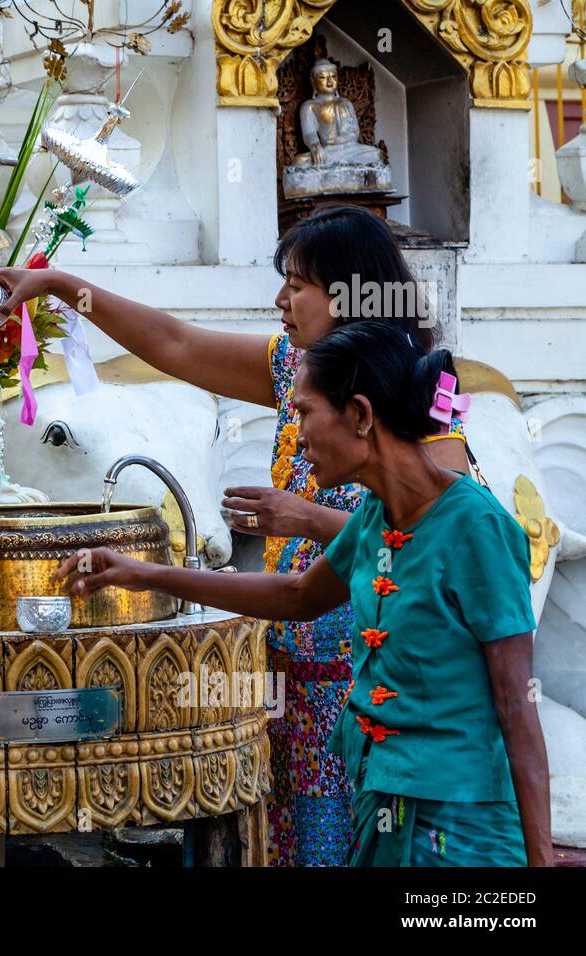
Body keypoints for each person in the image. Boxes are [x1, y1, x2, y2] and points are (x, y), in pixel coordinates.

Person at [0, 205, 468, 866]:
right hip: (293, 672)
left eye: (298, 284)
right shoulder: (299, 365)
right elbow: (174, 344)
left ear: (350, 290)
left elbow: (439, 532)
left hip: (381, 685)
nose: (280, 299)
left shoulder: (430, 382)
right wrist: (65, 286)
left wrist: (308, 519)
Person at [57, 322, 553, 867]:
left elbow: (517, 706)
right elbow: (295, 595)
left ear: (361, 416)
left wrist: (542, 862)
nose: (298, 434)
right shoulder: (373, 519)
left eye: (305, 412)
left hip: (463, 830)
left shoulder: (475, 527)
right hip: (385, 807)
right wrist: (140, 573)